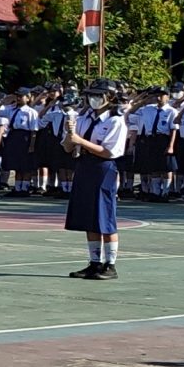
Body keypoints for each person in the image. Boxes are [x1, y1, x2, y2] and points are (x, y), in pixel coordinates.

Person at [65, 79, 130, 280]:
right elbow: (68, 147)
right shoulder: (84, 118)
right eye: (90, 95)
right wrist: (70, 133)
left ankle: (110, 264)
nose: (92, 99)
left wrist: (80, 141)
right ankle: (94, 262)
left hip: (103, 168)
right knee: (88, 216)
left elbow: (109, 151)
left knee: (105, 215)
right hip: (84, 165)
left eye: (97, 95)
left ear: (109, 98)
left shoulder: (115, 121)